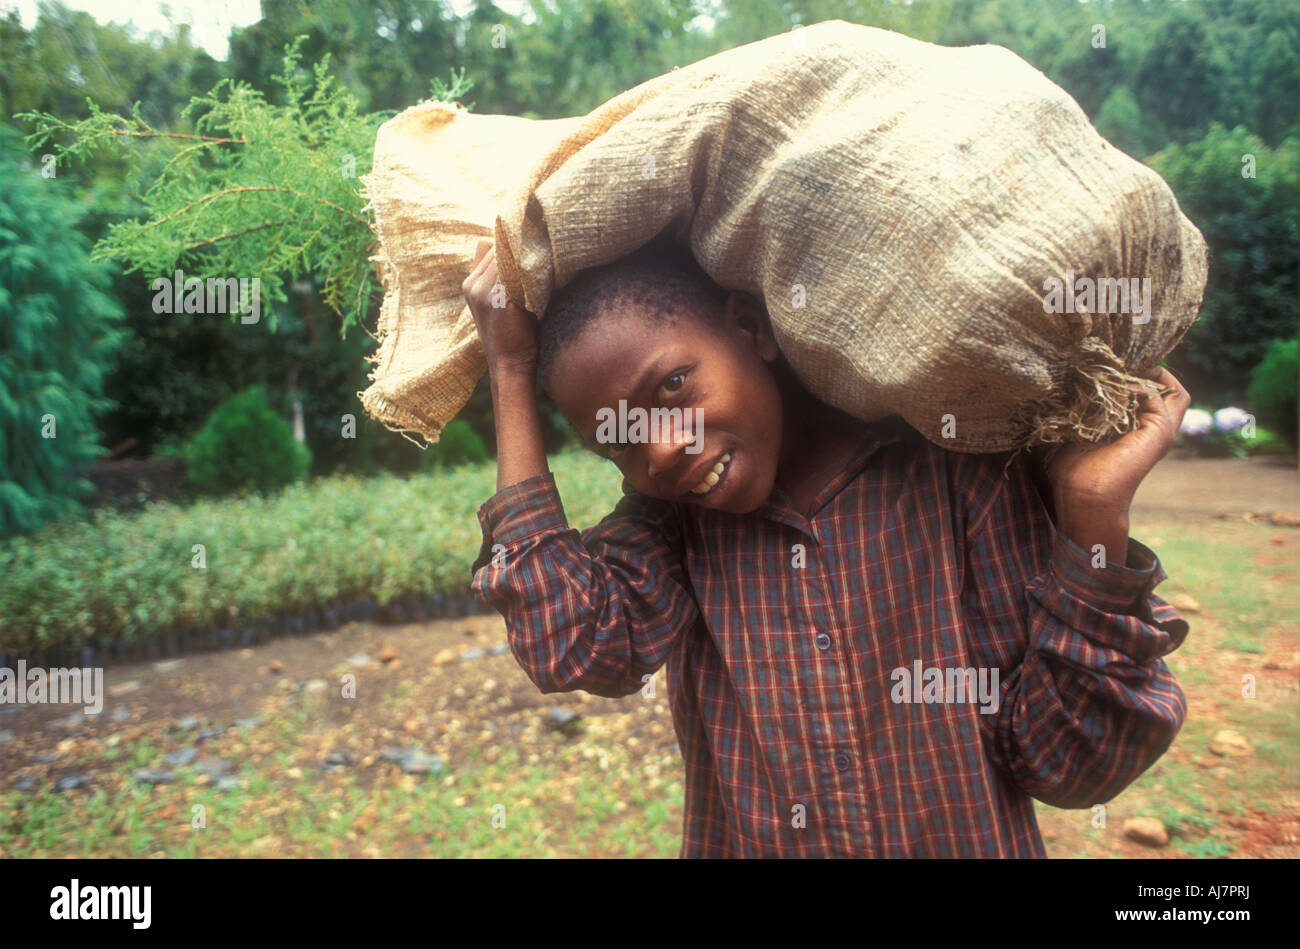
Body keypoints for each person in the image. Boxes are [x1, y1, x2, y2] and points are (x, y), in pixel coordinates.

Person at [464, 236, 1191, 858]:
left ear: (749, 326)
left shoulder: (957, 472)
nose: (661, 452)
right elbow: (570, 643)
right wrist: (507, 370)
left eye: (673, 387)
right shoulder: (670, 527)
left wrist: (1093, 514)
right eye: (615, 445)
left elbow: (1069, 765)